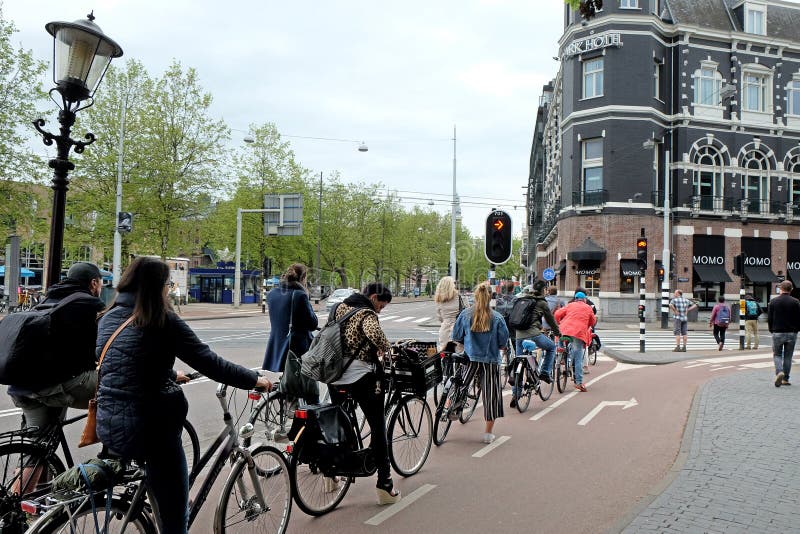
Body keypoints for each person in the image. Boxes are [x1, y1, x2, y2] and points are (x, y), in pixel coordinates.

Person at [95, 257, 271, 534]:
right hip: (151, 428)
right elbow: (209, 362)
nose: (169, 290)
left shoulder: (109, 317)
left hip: (110, 423)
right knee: (176, 518)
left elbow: (125, 362)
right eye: (167, 284)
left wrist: (167, 373)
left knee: (162, 485)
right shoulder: (160, 319)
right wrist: (254, 380)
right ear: (157, 287)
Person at [8, 262, 106, 430]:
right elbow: (97, 349)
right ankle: (112, 453)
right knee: (117, 387)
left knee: (37, 445)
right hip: (56, 384)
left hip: (20, 386)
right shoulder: (89, 305)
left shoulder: (46, 300)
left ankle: (36, 454)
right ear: (94, 283)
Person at [328, 283, 398, 505]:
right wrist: (387, 348)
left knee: (338, 422)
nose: (380, 310)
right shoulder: (366, 312)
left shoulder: (339, 307)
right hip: (360, 377)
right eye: (381, 305)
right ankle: (385, 486)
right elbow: (375, 334)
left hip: (335, 375)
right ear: (374, 297)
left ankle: (330, 474)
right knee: (378, 426)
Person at [451, 283, 509, 444]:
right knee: (491, 396)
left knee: (460, 384)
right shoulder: (497, 317)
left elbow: (456, 335)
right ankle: (488, 434)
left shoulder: (465, 314)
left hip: (470, 358)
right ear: (490, 297)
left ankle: (450, 406)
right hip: (490, 361)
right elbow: (503, 342)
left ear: (475, 296)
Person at [512, 281, 560, 408]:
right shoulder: (542, 303)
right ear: (543, 290)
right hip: (534, 334)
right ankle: (544, 372)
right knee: (551, 348)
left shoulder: (522, 299)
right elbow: (550, 320)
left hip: (518, 335)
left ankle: (515, 394)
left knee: (519, 360)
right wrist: (557, 332)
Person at [554, 291, 596, 392]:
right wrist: (587, 325)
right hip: (578, 333)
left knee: (561, 341)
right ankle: (579, 382)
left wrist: (559, 322)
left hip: (563, 330)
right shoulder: (588, 307)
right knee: (578, 358)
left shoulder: (570, 305)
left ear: (575, 299)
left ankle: (561, 356)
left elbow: (557, 313)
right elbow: (593, 322)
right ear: (584, 299)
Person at [767, 280, 800, 387]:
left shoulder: (773, 302)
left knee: (777, 354)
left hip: (777, 332)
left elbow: (770, 318)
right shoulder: (796, 302)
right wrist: (796, 329)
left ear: (780, 289)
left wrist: (771, 329)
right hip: (791, 333)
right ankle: (785, 379)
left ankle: (779, 372)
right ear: (791, 289)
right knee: (788, 356)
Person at [434, 276, 463, 352]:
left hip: (445, 329)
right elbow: (467, 313)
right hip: (458, 329)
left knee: (444, 353)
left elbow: (439, 318)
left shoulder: (439, 300)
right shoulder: (460, 297)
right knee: (459, 354)